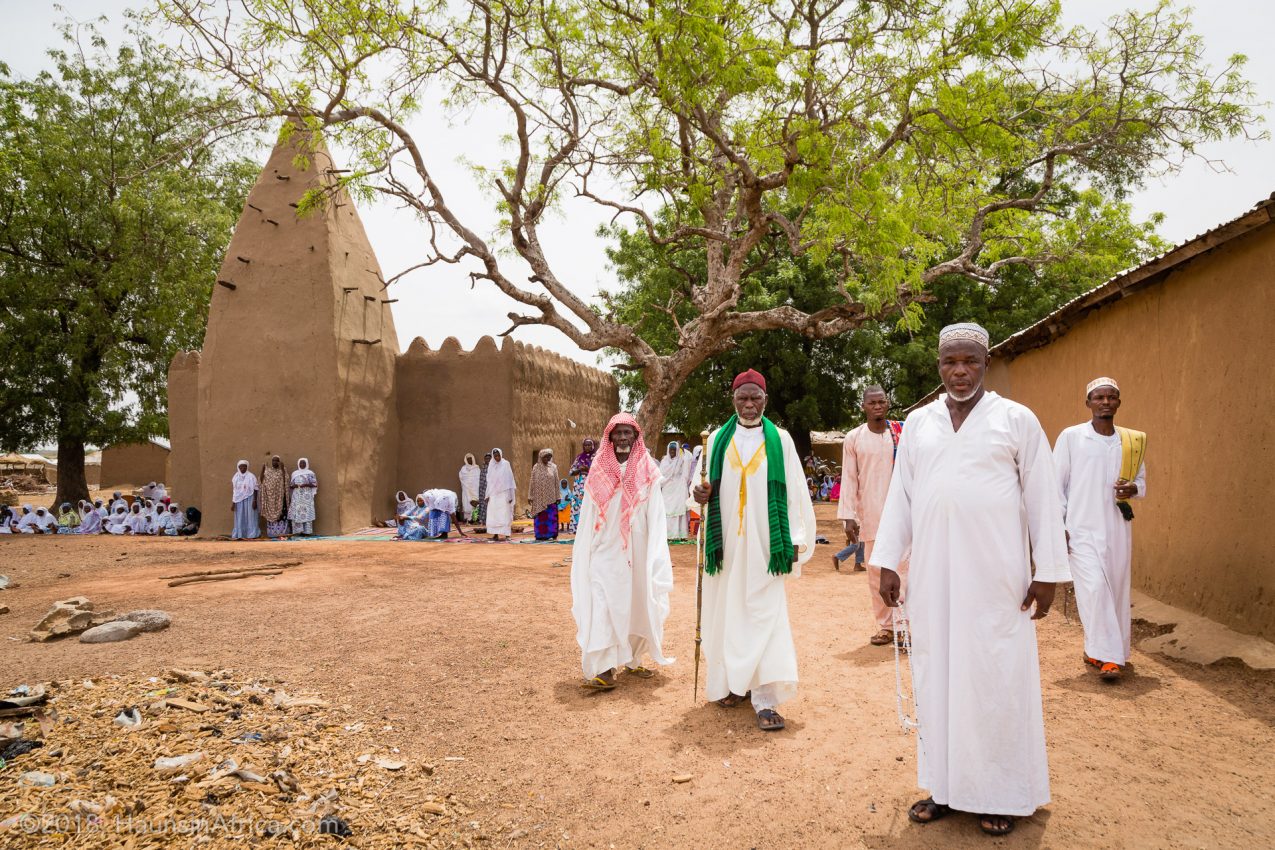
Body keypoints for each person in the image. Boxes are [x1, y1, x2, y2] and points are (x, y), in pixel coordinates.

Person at [871, 322, 1070, 837]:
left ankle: (999, 791)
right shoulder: (918, 423)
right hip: (935, 576)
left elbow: (1042, 496)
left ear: (985, 364)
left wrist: (1046, 572)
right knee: (937, 675)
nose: (959, 372)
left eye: (970, 362)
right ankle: (943, 786)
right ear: (938, 366)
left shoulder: (1016, 420)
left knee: (994, 676)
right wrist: (890, 560)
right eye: (950, 363)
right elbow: (904, 496)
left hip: (997, 576)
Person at [692, 369, 817, 732]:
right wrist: (700, 495)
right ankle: (734, 685)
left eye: (755, 398)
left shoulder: (781, 439)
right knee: (728, 613)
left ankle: (764, 699)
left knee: (765, 615)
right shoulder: (716, 439)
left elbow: (794, 492)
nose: (748, 405)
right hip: (728, 548)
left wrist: (794, 539)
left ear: (765, 399)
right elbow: (700, 490)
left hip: (766, 547)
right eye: (742, 398)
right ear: (733, 400)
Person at [571, 412, 674, 690]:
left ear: (636, 436)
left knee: (637, 601)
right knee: (603, 600)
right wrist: (588, 547)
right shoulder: (598, 469)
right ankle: (604, 669)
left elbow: (656, 512)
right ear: (610, 437)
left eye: (628, 432)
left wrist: (655, 550)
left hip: (638, 547)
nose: (623, 438)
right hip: (605, 547)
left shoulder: (647, 469)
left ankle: (633, 658)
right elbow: (590, 514)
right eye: (618, 433)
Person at [1054, 377, 1147, 682]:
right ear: (1088, 402)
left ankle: (1100, 650)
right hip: (1080, 528)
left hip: (1118, 527)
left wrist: (1132, 489)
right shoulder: (1071, 437)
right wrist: (1059, 525)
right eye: (1099, 397)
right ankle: (1109, 658)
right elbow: (1057, 484)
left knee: (1116, 589)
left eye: (1111, 397)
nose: (1105, 402)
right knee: (1093, 588)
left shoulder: (1132, 441)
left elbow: (1141, 483)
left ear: (1119, 402)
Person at [838, 385, 910, 645]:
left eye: (881, 402)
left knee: (904, 571)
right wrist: (848, 517)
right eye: (872, 403)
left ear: (887, 403)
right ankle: (886, 627)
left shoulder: (902, 433)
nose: (877, 406)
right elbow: (848, 477)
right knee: (875, 573)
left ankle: (905, 626)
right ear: (864, 406)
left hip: (903, 516)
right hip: (871, 515)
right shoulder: (853, 438)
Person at [658, 442, 691, 540]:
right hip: (667, 489)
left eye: (674, 450)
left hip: (678, 489)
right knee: (666, 511)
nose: (672, 452)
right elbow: (661, 475)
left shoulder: (681, 460)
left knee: (678, 511)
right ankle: (667, 535)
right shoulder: (664, 461)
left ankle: (680, 535)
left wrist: (683, 450)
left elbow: (688, 458)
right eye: (670, 450)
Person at [484, 447, 516, 540]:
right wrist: (487, 495)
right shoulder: (491, 465)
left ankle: (507, 534)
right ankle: (495, 534)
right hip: (494, 494)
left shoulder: (506, 464)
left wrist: (510, 495)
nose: (497, 457)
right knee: (494, 514)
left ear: (501, 455)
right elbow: (489, 481)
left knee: (504, 514)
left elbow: (510, 479)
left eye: (498, 456)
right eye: (495, 456)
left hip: (504, 494)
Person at [529, 449, 561, 541]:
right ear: (541, 457)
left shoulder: (553, 467)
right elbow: (532, 482)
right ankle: (540, 535)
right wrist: (530, 496)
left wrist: (558, 496)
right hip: (538, 497)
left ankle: (552, 534)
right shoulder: (536, 467)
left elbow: (556, 482)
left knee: (551, 516)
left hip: (551, 497)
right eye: (546, 457)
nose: (548, 458)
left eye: (549, 457)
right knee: (540, 516)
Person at [568, 438, 597, 533]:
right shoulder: (579, 457)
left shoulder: (596, 457)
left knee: (589, 505)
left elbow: (599, 471)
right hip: (578, 486)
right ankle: (577, 529)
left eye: (589, 445)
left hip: (591, 484)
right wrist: (580, 470)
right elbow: (571, 472)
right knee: (577, 506)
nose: (587, 447)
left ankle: (589, 529)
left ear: (592, 446)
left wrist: (587, 469)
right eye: (585, 445)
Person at [259, 455, 290, 537]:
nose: (275, 462)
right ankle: (272, 534)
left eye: (277, 460)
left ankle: (283, 533)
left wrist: (283, 469)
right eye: (273, 460)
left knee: (282, 515)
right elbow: (261, 481)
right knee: (271, 515)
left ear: (279, 462)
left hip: (280, 497)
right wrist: (262, 469)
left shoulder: (282, 471)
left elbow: (286, 481)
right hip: (270, 499)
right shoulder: (268, 471)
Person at [231, 459, 260, 540]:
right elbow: (235, 491)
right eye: (241, 467)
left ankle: (252, 534)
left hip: (250, 499)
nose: (243, 468)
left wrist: (254, 501)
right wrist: (233, 503)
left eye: (244, 466)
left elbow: (256, 488)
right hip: (238, 501)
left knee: (250, 516)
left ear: (247, 467)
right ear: (238, 467)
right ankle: (240, 534)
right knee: (240, 517)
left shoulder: (251, 476)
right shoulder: (236, 477)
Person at [288, 458, 318, 535]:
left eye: (303, 463)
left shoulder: (310, 473)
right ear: (298, 464)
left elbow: (315, 484)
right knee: (298, 511)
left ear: (306, 464)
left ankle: (307, 532)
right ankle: (299, 531)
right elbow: (290, 486)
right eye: (300, 463)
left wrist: (306, 484)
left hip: (307, 496)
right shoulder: (294, 473)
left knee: (307, 512)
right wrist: (294, 486)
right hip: (297, 496)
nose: (302, 465)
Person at [459, 453, 482, 522]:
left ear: (473, 459)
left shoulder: (477, 468)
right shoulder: (463, 469)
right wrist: (467, 485)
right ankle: (468, 519)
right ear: (465, 460)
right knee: (467, 502)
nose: (469, 461)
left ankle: (475, 518)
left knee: (475, 502)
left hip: (475, 489)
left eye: (470, 459)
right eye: (468, 459)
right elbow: (461, 478)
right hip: (466, 489)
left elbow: (479, 479)